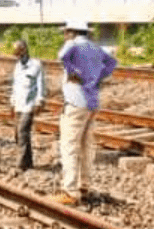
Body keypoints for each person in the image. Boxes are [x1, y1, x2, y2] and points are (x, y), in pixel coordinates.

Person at [55, 20, 117, 206]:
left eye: (66, 32)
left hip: (75, 102)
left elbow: (61, 56)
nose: (64, 35)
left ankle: (70, 191)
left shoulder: (72, 45)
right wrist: (95, 77)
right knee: (86, 145)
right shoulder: (96, 48)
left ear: (71, 32)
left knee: (69, 146)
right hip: (91, 102)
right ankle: (84, 186)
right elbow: (112, 63)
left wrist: (75, 72)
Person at [10, 40, 45, 171]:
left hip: (29, 105)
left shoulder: (36, 65)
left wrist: (39, 101)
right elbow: (15, 86)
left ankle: (21, 165)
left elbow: (41, 85)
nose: (17, 55)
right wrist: (12, 102)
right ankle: (29, 162)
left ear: (24, 50)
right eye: (15, 53)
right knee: (18, 134)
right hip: (18, 105)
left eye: (18, 52)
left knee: (22, 132)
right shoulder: (17, 66)